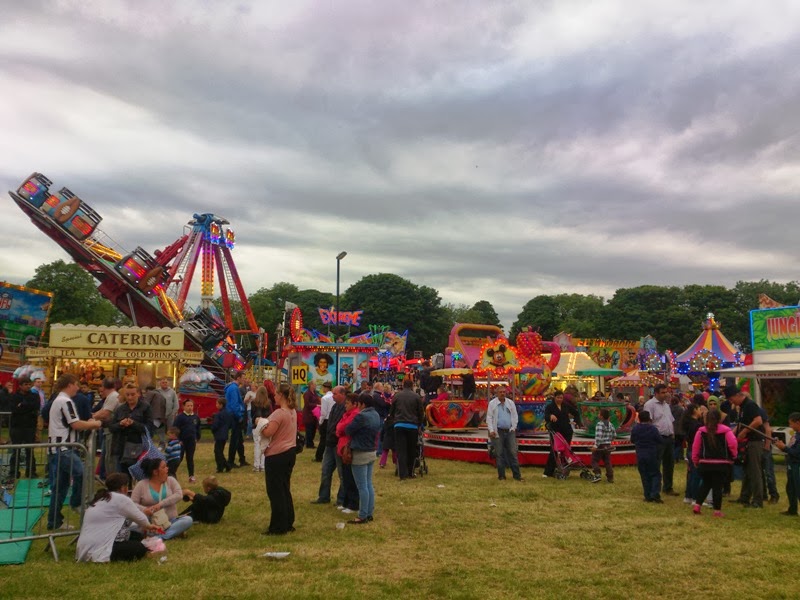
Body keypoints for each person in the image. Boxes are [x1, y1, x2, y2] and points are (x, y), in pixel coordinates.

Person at [47, 373, 102, 530]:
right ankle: (76, 503)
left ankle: (54, 521)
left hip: (58, 448)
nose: (78, 388)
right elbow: (76, 424)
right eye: (76, 384)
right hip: (64, 448)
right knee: (82, 473)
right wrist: (95, 424)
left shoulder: (57, 400)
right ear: (70, 384)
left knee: (60, 487)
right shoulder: (65, 401)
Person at [76, 473, 160, 562]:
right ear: (123, 487)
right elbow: (141, 518)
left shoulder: (102, 498)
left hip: (84, 547)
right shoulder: (121, 498)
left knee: (136, 536)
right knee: (139, 548)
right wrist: (149, 526)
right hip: (101, 547)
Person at [259, 383, 298, 535]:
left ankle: (277, 526)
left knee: (275, 492)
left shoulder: (279, 413)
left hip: (277, 454)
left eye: (275, 394)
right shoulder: (292, 411)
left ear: (281, 395)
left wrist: (259, 423)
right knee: (284, 488)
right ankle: (288, 521)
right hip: (290, 452)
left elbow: (268, 432)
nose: (273, 396)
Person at [690, 408, 737, 517]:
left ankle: (697, 505)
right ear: (720, 418)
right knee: (717, 487)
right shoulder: (726, 431)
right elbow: (733, 444)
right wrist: (733, 456)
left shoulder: (701, 431)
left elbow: (695, 447)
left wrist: (695, 460)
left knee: (705, 484)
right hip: (721, 464)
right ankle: (717, 511)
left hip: (705, 463)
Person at [131, 457, 193, 540]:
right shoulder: (141, 485)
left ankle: (159, 537)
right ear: (155, 472)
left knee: (188, 520)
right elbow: (132, 504)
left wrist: (161, 504)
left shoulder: (171, 480)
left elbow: (179, 495)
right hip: (150, 523)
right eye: (164, 467)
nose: (167, 468)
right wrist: (144, 509)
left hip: (170, 521)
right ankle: (171, 533)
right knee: (132, 527)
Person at [345, 393, 381, 524]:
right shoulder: (376, 415)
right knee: (368, 484)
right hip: (372, 450)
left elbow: (348, 430)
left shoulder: (361, 416)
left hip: (360, 452)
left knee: (362, 486)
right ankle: (369, 512)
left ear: (362, 404)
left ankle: (362, 515)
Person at [727, 385, 765, 508]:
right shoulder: (742, 408)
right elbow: (740, 424)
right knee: (747, 471)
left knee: (754, 471)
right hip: (747, 442)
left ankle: (758, 500)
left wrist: (745, 431)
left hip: (754, 441)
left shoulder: (750, 405)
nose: (732, 402)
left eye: (732, 399)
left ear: (738, 395)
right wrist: (730, 434)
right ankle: (744, 497)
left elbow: (758, 421)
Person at [311, 385, 347, 506]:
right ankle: (324, 496)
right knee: (325, 470)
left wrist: (334, 434)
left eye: (335, 394)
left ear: (342, 394)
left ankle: (341, 499)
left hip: (338, 444)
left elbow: (341, 425)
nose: (333, 396)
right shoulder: (335, 406)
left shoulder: (345, 408)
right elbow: (331, 422)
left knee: (342, 473)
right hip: (330, 443)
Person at [109, 384, 153, 479]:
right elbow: (111, 427)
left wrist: (133, 423)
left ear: (138, 394)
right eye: (127, 394)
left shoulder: (145, 407)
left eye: (132, 394)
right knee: (121, 477)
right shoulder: (120, 409)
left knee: (140, 477)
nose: (130, 397)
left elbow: (149, 428)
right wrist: (121, 424)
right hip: (120, 447)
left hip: (138, 447)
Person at [643, 384, 678, 496]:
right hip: (657, 439)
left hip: (668, 438)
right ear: (656, 393)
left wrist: (672, 433)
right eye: (663, 392)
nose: (665, 394)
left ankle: (668, 487)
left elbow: (670, 420)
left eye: (666, 392)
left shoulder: (666, 405)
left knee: (669, 464)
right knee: (656, 464)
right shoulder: (650, 405)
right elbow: (648, 423)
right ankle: (654, 488)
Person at [388, 379, 424, 480]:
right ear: (412, 385)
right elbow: (420, 413)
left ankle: (402, 473)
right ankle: (410, 472)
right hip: (412, 426)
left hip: (399, 425)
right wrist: (419, 424)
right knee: (411, 450)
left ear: (403, 385)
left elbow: (392, 411)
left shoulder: (397, 396)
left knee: (401, 450)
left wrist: (394, 420)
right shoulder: (416, 397)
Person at [486, 386, 522, 481]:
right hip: (498, 431)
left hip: (509, 431)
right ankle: (501, 476)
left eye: (504, 392)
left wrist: (513, 427)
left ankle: (517, 476)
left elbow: (515, 416)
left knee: (513, 453)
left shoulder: (510, 403)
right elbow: (489, 418)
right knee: (499, 454)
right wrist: (491, 430)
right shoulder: (492, 404)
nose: (502, 393)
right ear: (497, 393)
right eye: (500, 392)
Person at [543, 389, 579, 478]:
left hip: (567, 431)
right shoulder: (550, 407)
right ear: (554, 398)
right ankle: (548, 472)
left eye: (561, 398)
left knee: (566, 451)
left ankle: (564, 470)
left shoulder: (566, 406)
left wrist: (575, 421)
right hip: (555, 432)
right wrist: (550, 416)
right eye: (558, 397)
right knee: (554, 451)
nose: (560, 399)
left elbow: (576, 413)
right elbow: (546, 416)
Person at [9, 376, 40, 480]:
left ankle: (31, 472)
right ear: (20, 385)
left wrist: (22, 405)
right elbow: (14, 409)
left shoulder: (34, 396)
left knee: (29, 451)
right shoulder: (14, 396)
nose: (28, 386)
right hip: (16, 427)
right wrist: (26, 407)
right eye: (25, 384)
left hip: (30, 427)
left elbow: (35, 407)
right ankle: (13, 472)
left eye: (29, 384)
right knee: (15, 450)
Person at [631, 411, 664, 503]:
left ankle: (647, 495)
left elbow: (632, 440)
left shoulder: (635, 428)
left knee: (644, 475)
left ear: (639, 419)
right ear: (649, 418)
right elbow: (660, 440)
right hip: (651, 454)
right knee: (655, 474)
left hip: (640, 454)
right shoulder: (653, 429)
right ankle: (655, 493)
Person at [92, 378, 121, 477]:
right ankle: (106, 475)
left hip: (111, 430)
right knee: (106, 456)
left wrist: (92, 417)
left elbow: (105, 413)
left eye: (101, 387)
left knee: (110, 457)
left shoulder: (113, 396)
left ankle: (111, 478)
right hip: (108, 430)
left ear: (104, 387)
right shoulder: (111, 396)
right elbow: (103, 410)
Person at [774, 412, 800, 517]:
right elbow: (791, 448)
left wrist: (784, 448)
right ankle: (792, 509)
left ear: (798, 422)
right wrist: (783, 446)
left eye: (791, 424)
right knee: (791, 488)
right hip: (791, 464)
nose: (790, 426)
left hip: (797, 465)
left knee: (798, 488)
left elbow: (797, 453)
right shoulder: (796, 434)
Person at [173, 399, 201, 483]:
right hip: (182, 442)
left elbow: (198, 428)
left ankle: (191, 476)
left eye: (191, 406)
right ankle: (172, 474)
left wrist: (197, 437)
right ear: (183, 407)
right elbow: (175, 429)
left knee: (190, 458)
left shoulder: (195, 417)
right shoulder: (180, 417)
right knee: (179, 458)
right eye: (188, 406)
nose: (190, 407)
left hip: (191, 441)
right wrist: (178, 440)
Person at [225, 371, 248, 470]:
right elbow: (235, 404)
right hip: (235, 416)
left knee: (239, 439)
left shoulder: (231, 387)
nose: (244, 379)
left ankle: (242, 459)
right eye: (243, 377)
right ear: (238, 378)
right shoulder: (234, 388)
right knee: (235, 439)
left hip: (232, 415)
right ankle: (231, 461)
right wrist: (239, 416)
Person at [681, 403, 703, 505]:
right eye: (699, 409)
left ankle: (688, 496)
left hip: (690, 449)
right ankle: (695, 498)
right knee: (696, 474)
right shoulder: (697, 425)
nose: (701, 411)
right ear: (695, 410)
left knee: (691, 474)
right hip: (696, 450)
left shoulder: (688, 423)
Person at [591, 407, 615, 483]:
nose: (598, 415)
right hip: (608, 445)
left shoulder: (599, 424)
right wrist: (609, 441)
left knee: (594, 460)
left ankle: (597, 474)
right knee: (607, 461)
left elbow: (598, 436)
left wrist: (595, 446)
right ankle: (610, 477)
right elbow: (614, 435)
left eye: (599, 413)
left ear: (601, 416)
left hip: (600, 446)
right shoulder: (611, 424)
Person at [251, 386, 272, 471]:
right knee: (264, 445)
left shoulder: (254, 402)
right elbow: (270, 414)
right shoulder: (268, 403)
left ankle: (256, 465)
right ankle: (263, 465)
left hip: (256, 425)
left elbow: (252, 415)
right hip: (265, 425)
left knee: (257, 445)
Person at [211, 398, 234, 473]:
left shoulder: (218, 415)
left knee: (218, 452)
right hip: (224, 434)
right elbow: (230, 424)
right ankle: (225, 465)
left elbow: (215, 425)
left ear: (221, 405)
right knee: (219, 451)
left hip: (219, 434)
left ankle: (222, 466)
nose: (216, 405)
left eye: (217, 404)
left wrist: (213, 429)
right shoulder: (228, 413)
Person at [315, 381, 334, 462]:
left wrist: (320, 421)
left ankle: (319, 456)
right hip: (333, 419)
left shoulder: (324, 398)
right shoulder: (334, 396)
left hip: (326, 420)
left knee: (323, 439)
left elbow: (323, 412)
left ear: (325, 388)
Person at [302, 381, 320, 449]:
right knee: (309, 429)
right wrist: (316, 405)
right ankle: (309, 444)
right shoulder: (307, 394)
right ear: (311, 385)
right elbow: (307, 404)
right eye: (314, 384)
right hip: (308, 414)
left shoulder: (315, 393)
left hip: (314, 414)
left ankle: (310, 442)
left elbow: (317, 400)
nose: (315, 386)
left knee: (313, 429)